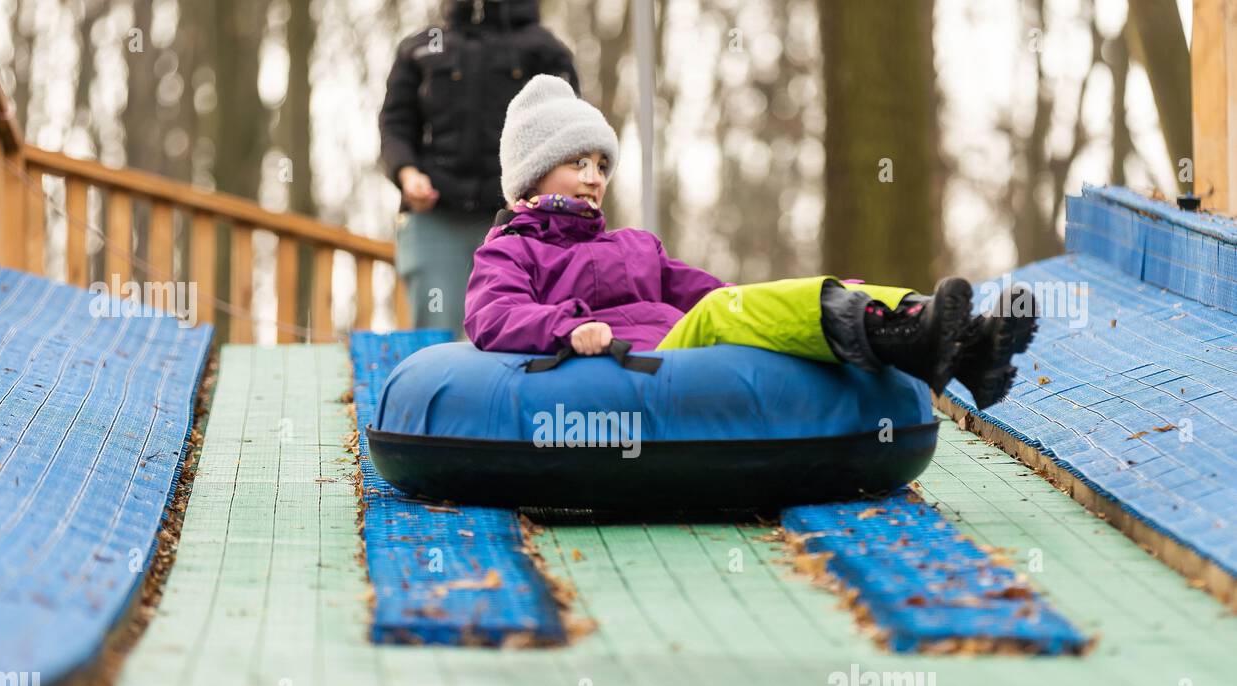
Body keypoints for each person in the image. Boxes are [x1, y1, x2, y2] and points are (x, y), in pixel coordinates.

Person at [464, 76, 1035, 410]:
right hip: (643, 366)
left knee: (746, 300)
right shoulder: (512, 248)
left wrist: (795, 298)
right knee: (719, 311)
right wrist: (567, 328)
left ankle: (959, 345)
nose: (593, 177)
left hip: (692, 358)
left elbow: (718, 291)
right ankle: (916, 333)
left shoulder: (635, 245)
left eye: (600, 164)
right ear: (533, 175)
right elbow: (493, 315)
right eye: (576, 163)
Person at [379, 0, 579, 339]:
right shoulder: (420, 48)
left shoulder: (546, 51)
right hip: (436, 216)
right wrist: (407, 173)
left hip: (519, 221)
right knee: (436, 335)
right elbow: (396, 124)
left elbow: (566, 132)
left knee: (519, 331)